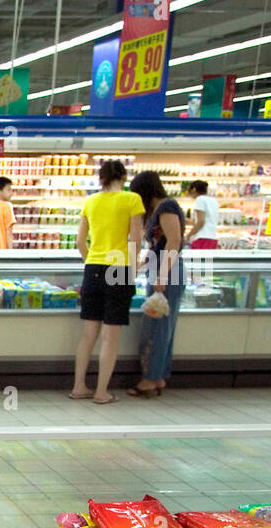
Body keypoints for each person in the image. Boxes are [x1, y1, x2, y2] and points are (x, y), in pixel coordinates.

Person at [71, 159, 144, 405]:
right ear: (123, 177)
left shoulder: (90, 201)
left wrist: (91, 259)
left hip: (93, 267)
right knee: (110, 335)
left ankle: (79, 386)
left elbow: (80, 242)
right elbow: (135, 240)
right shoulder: (132, 199)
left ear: (100, 177)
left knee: (88, 333)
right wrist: (132, 270)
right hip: (119, 267)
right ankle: (101, 391)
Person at [128, 171, 185, 398]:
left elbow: (174, 241)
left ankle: (150, 380)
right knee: (161, 326)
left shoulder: (167, 207)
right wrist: (139, 268)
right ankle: (158, 376)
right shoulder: (160, 210)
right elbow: (158, 246)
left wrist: (162, 276)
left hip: (167, 272)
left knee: (158, 327)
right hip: (162, 269)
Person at [184, 180, 219, 250]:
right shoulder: (213, 201)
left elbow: (201, 221)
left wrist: (188, 236)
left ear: (194, 190)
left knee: (198, 260)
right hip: (213, 238)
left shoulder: (200, 199)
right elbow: (205, 220)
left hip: (202, 239)